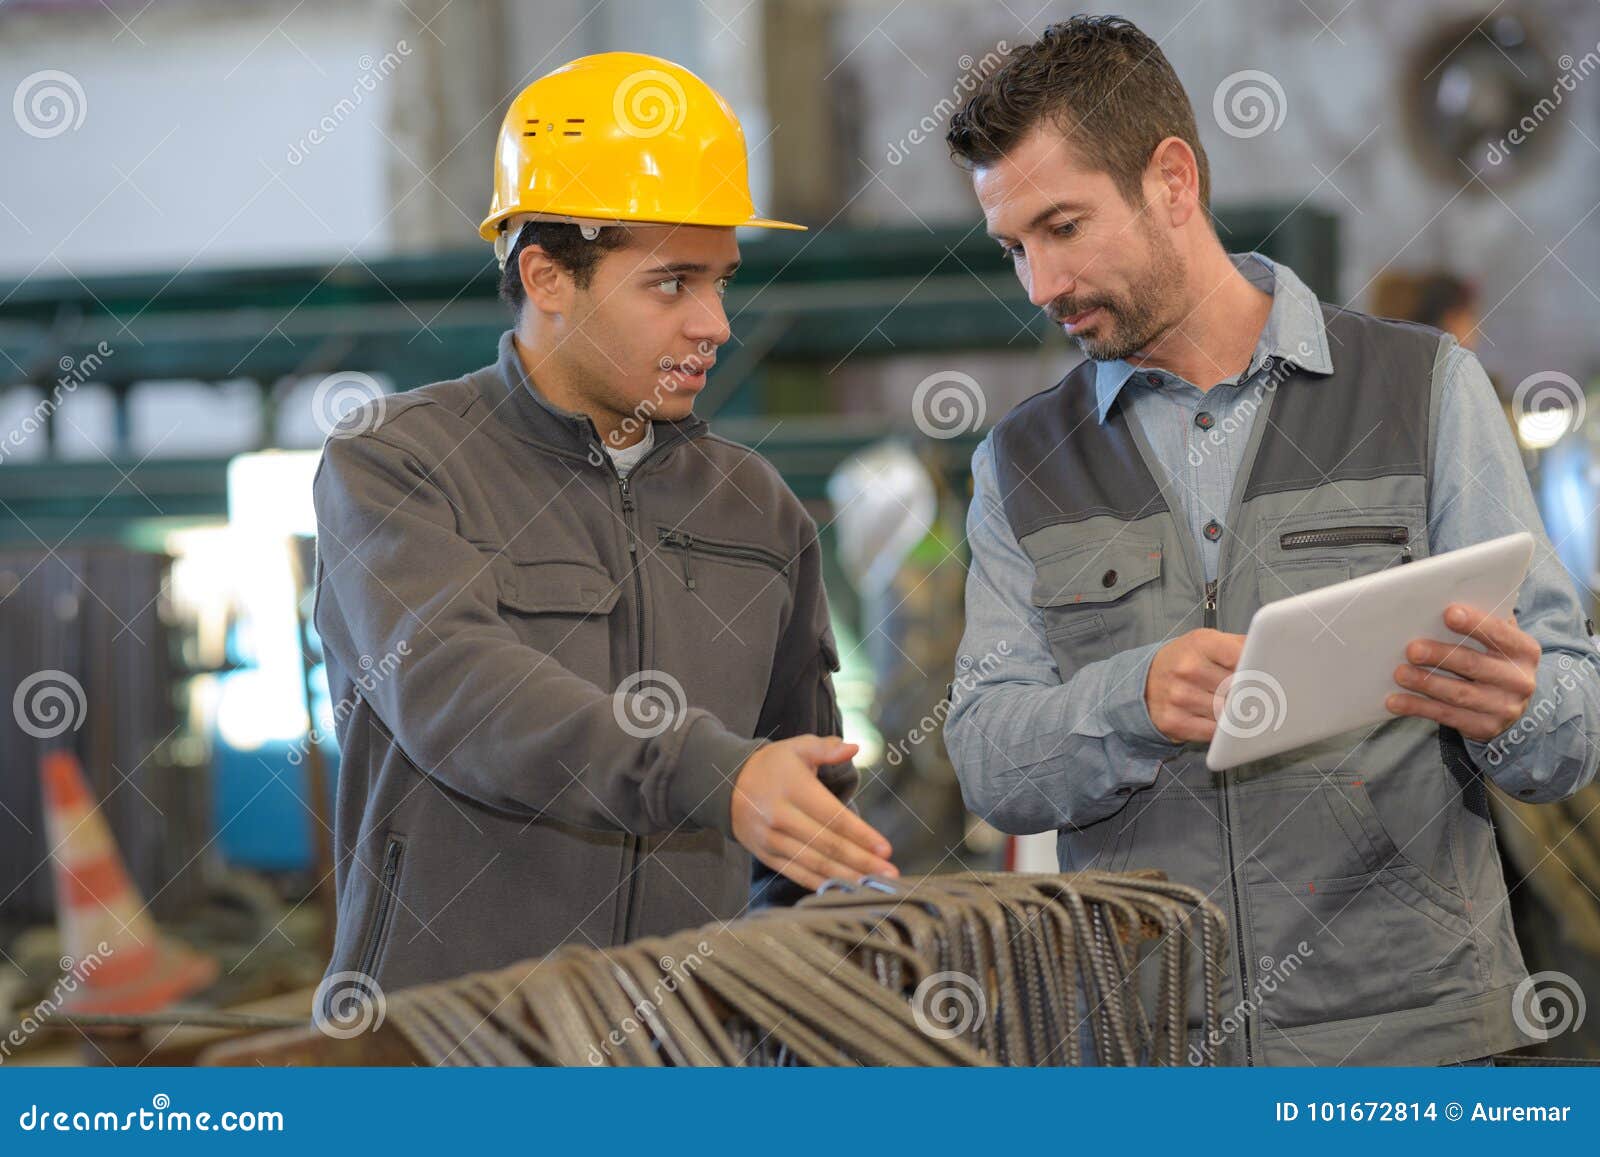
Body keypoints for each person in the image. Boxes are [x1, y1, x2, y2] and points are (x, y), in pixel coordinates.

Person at [940, 16, 1600, 1066]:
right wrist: (1131, 698)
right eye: (1014, 247)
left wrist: (1520, 708)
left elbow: (1572, 717)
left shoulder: (1422, 389)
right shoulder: (1021, 462)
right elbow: (985, 754)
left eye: (1062, 227)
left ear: (1171, 180)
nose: (1039, 285)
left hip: (1414, 1046)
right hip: (1153, 1053)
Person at [311, 52, 895, 1002]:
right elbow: (458, 692)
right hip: (442, 1050)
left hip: (679, 1053)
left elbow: (800, 817)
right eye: (672, 283)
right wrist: (708, 772)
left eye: (721, 281)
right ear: (547, 275)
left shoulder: (758, 510)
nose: (715, 323)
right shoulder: (396, 465)